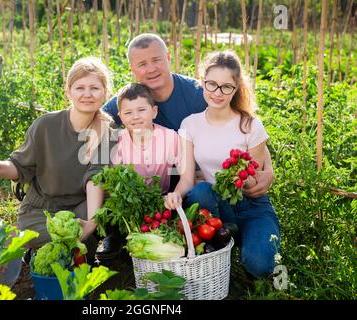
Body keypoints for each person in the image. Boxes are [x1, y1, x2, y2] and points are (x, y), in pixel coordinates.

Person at [103, 33, 274, 198]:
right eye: (142, 64)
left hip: (203, 184)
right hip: (163, 189)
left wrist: (268, 170)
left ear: (168, 58)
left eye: (156, 60)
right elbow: (96, 121)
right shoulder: (130, 100)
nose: (151, 69)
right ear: (132, 69)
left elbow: (245, 125)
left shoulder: (198, 94)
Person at [0, 57, 114, 262]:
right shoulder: (46, 125)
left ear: (105, 93)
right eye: (80, 88)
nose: (87, 94)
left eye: (94, 88)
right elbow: (19, 167)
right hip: (40, 211)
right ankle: (63, 249)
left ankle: (66, 249)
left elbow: (96, 180)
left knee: (103, 211)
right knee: (45, 235)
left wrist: (91, 224)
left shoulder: (107, 134)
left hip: (80, 209)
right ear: (68, 92)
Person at [164, 50, 280, 278]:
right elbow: (187, 178)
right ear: (202, 83)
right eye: (212, 84)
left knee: (259, 265)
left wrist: (252, 176)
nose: (218, 92)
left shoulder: (250, 125)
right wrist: (175, 195)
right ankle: (224, 238)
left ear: (236, 88)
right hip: (216, 206)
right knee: (200, 191)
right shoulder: (190, 125)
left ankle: (252, 238)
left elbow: (252, 181)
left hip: (251, 205)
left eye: (226, 87)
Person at [112, 82, 181, 194]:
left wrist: (175, 195)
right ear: (121, 118)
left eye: (141, 110)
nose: (135, 117)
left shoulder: (170, 137)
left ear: (154, 112)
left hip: (162, 200)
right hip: (129, 200)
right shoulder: (117, 142)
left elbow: (186, 175)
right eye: (128, 112)